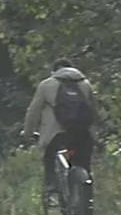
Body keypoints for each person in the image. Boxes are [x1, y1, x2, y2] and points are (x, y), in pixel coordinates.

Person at [23, 58, 98, 200]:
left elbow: (33, 112)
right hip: (82, 135)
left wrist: (28, 133)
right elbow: (94, 111)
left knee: (50, 161)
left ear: (54, 71)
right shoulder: (85, 84)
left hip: (56, 136)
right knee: (84, 166)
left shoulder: (46, 85)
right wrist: (96, 134)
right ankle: (87, 201)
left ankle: (52, 190)